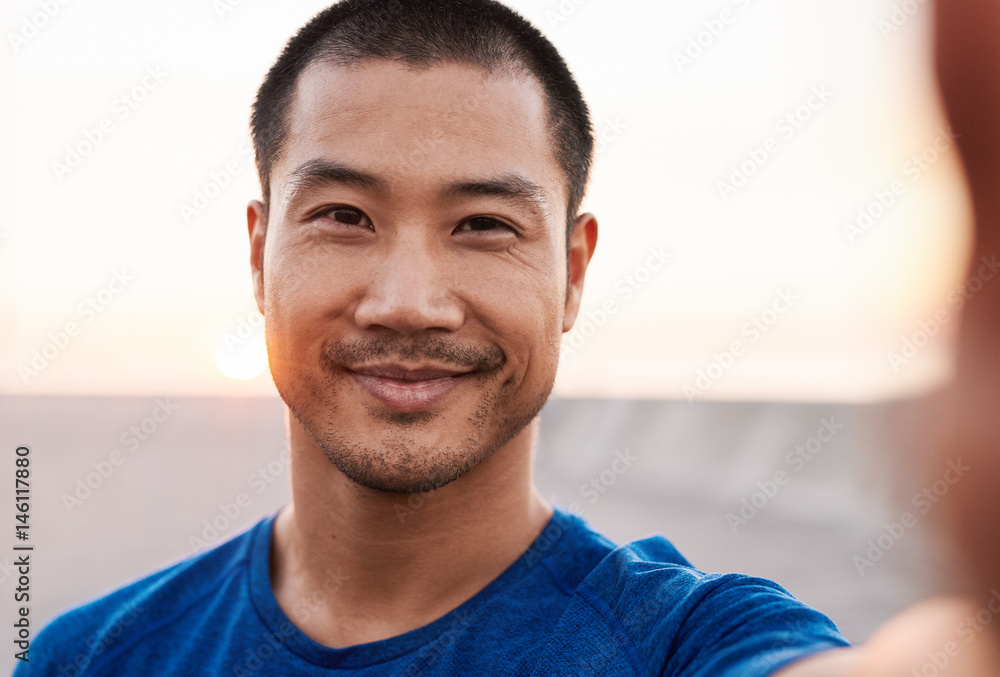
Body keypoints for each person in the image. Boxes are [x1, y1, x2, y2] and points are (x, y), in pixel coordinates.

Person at [14, 1, 995, 675]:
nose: (408, 302)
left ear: (573, 272)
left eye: (483, 224)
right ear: (259, 253)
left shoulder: (679, 643)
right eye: (344, 215)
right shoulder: (92, 655)